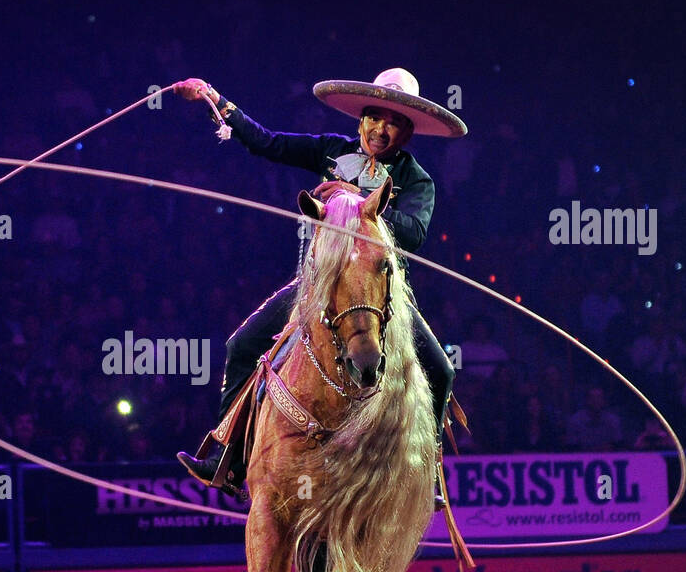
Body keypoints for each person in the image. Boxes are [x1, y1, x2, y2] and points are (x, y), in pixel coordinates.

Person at [172, 69, 466, 507]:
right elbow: (269, 142)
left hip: (377, 296)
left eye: (392, 123)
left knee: (441, 369)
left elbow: (414, 233)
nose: (380, 129)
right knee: (239, 347)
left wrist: (354, 201)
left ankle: (428, 473)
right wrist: (217, 99)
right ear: (361, 120)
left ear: (406, 131)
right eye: (374, 118)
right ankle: (226, 457)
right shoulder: (331, 150)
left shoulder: (416, 179)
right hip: (317, 285)